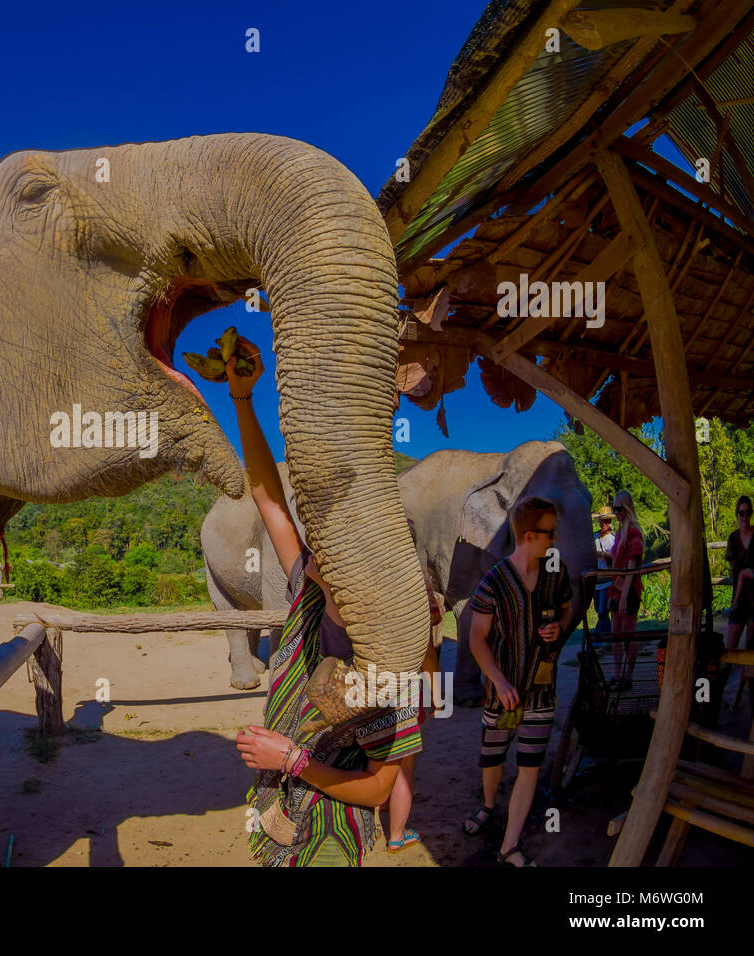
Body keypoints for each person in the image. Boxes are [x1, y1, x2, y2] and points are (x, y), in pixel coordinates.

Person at [228, 335, 423, 867]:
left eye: (329, 547)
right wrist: (242, 400)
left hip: (332, 840)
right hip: (282, 820)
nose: (313, 552)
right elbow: (270, 501)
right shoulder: (308, 595)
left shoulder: (389, 664)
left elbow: (379, 789)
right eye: (319, 541)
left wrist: (291, 759)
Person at [461, 496, 573, 867]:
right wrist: (498, 681)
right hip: (500, 695)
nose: (555, 540)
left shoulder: (557, 573)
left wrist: (560, 627)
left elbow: (568, 607)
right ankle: (489, 806)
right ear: (529, 535)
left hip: (542, 691)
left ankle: (509, 846)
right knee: (491, 757)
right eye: (550, 533)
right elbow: (477, 638)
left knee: (530, 766)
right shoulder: (493, 582)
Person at [380, 518, 442, 853]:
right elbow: (426, 649)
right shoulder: (415, 584)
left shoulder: (367, 581)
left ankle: (381, 804)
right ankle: (397, 834)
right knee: (405, 763)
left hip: (372, 681)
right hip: (404, 684)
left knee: (381, 750)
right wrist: (436, 691)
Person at [607, 490, 644, 687]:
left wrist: (624, 596)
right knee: (616, 633)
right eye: (615, 509)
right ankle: (618, 672)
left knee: (629, 632)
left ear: (628, 508)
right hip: (616, 586)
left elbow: (632, 565)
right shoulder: (621, 531)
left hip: (627, 589)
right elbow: (618, 560)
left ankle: (628, 675)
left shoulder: (633, 531)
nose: (617, 512)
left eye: (620, 508)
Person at [723, 496, 754, 696]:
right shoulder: (733, 539)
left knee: (749, 653)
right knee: (728, 651)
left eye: (748, 512)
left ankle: (739, 698)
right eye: (741, 512)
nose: (744, 516)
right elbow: (735, 570)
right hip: (739, 599)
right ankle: (711, 696)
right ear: (737, 514)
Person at [591, 507, 616, 634]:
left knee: (602, 610)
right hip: (596, 578)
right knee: (598, 608)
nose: (605, 523)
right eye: (603, 521)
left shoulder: (613, 538)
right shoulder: (594, 537)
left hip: (607, 579)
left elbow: (615, 556)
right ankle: (607, 633)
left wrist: (602, 554)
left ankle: (600, 634)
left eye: (607, 521)